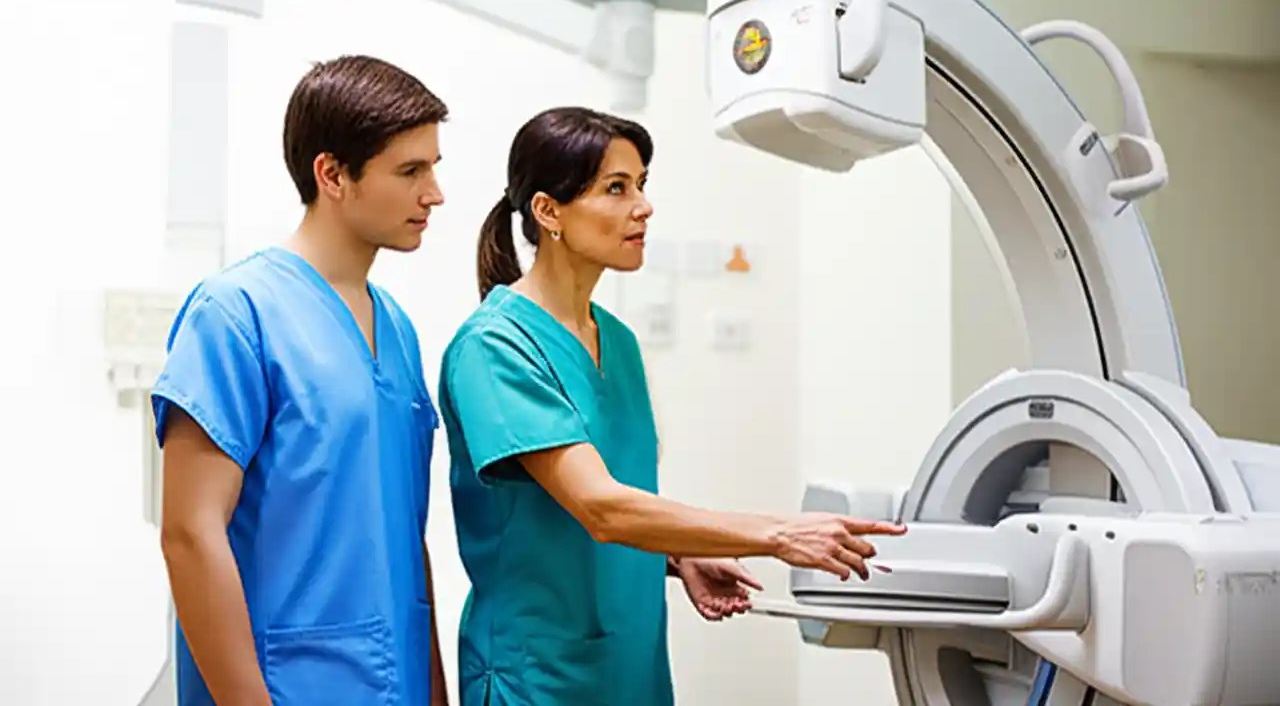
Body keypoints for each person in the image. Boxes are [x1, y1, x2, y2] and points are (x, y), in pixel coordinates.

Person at [437, 106, 907, 706]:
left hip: (632, 665)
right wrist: (778, 533)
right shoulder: (495, 347)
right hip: (540, 676)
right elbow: (599, 507)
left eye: (641, 185)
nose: (643, 206)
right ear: (548, 211)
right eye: (616, 188)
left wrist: (679, 552)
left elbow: (607, 502)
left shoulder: (619, 344)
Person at [152, 55, 450, 706]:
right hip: (284, 685)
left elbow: (403, 530)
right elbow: (190, 532)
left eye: (433, 168)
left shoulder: (395, 329)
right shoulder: (236, 315)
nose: (434, 194)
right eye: (411, 171)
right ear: (332, 174)